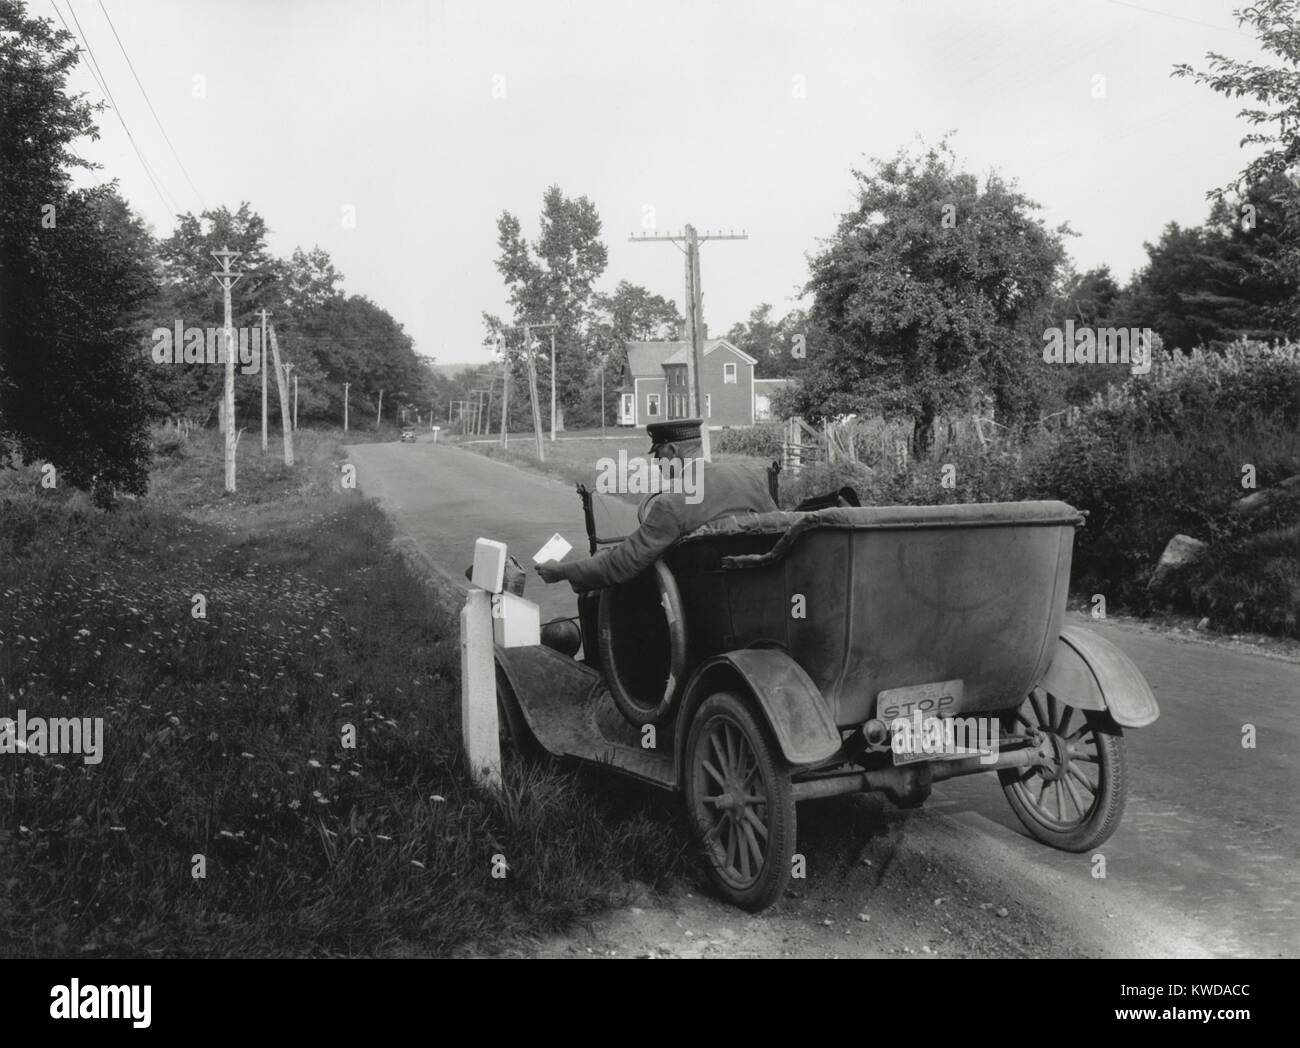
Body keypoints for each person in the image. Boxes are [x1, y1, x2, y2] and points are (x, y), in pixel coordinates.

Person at [536, 418, 777, 593]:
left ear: (673, 451)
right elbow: (775, 528)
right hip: (760, 587)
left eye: (658, 455)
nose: (656, 463)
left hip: (703, 601)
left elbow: (622, 562)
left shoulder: (671, 504)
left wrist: (562, 571)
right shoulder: (748, 477)